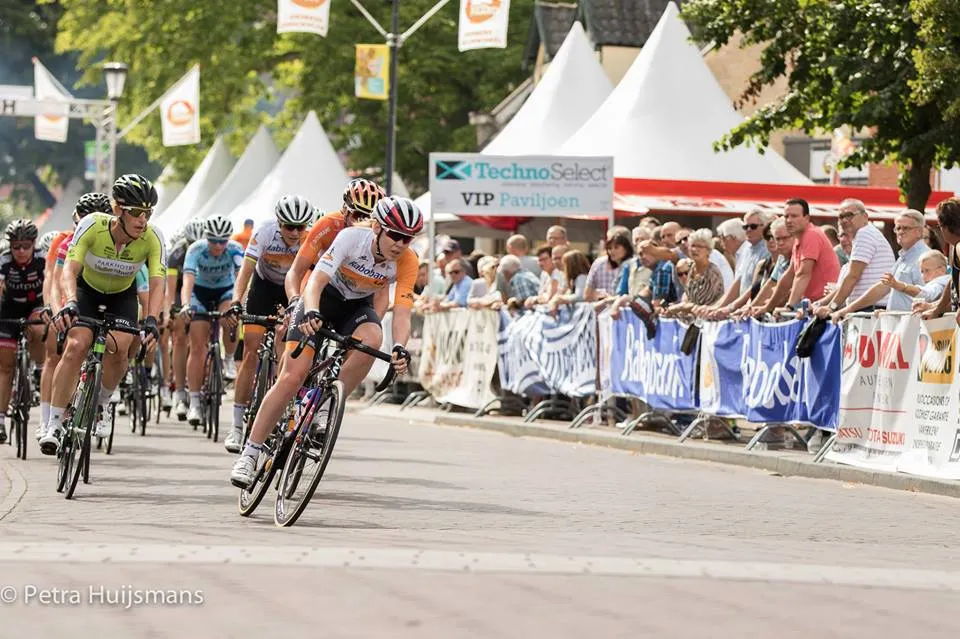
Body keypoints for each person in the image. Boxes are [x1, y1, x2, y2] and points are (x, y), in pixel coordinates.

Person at [230, 196, 421, 487]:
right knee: (292, 377)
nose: (400, 243)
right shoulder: (350, 238)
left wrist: (400, 347)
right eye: (394, 234)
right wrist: (312, 312)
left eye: (407, 238)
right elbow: (316, 281)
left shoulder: (408, 261)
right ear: (378, 229)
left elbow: (403, 311)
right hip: (320, 298)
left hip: (355, 307)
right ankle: (250, 451)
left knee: (373, 338)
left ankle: (323, 406)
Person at [40, 174, 165, 454]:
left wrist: (153, 320)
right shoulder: (92, 225)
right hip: (87, 291)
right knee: (76, 346)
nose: (142, 219)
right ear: (118, 209)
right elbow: (69, 271)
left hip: (122, 296)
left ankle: (102, 403)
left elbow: (158, 283)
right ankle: (55, 424)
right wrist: (70, 301)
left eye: (147, 212)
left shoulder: (153, 237)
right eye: (135, 212)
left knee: (121, 349)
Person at [224, 195, 315, 453]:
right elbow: (246, 270)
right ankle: (237, 426)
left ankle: (280, 405)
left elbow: (311, 277)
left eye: (300, 227)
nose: (295, 233)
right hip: (263, 288)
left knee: (286, 345)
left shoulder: (309, 238)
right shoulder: (264, 232)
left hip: (292, 290)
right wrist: (236, 301)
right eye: (289, 227)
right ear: (278, 222)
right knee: (251, 351)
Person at [38, 193, 112, 438]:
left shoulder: (113, 242)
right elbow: (55, 281)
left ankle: (99, 400)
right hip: (71, 298)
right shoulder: (65, 242)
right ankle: (51, 419)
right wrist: (57, 311)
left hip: (102, 298)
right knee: (64, 350)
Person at [179, 215, 244, 426]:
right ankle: (195, 402)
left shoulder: (235, 249)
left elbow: (242, 277)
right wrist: (186, 304)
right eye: (213, 241)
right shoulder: (196, 250)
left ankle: (229, 359)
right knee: (197, 346)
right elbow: (187, 280)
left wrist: (239, 303)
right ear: (206, 239)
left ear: (228, 239)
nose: (218, 245)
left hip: (225, 291)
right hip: (200, 293)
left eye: (222, 241)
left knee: (231, 316)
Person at [284, 178, 385, 301]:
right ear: (345, 209)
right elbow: (296, 272)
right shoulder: (329, 225)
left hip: (358, 293)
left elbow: (382, 295)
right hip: (324, 281)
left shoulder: (383, 241)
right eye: (358, 215)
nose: (363, 222)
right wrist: (294, 300)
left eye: (369, 218)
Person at [828, 209, 928, 318]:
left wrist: (835, 307)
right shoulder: (903, 258)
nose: (900, 232)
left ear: (919, 232)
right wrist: (848, 309)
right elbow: (882, 287)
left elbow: (930, 295)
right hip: (899, 326)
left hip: (915, 326)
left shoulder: (926, 257)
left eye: (906, 228)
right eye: (898, 228)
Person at [0, 220, 47, 444]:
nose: (20, 251)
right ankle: (0, 420)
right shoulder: (3, 260)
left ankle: (39, 369)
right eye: (16, 246)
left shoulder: (42, 260)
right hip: (7, 310)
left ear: (33, 244)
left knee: (38, 328)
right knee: (5, 366)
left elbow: (51, 286)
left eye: (25, 246)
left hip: (35, 307)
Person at [754, 198, 840, 316]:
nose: (789, 220)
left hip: (822, 307)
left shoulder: (811, 235)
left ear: (807, 218)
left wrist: (789, 306)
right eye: (786, 216)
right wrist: (767, 307)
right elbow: (788, 277)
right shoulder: (800, 239)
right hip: (813, 306)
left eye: (794, 216)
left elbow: (803, 274)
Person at [814, 199, 895, 317]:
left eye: (849, 215)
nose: (844, 220)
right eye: (841, 217)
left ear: (865, 216)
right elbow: (851, 280)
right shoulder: (867, 233)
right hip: (871, 308)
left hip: (870, 310)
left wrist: (831, 308)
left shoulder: (864, 234)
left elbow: (853, 277)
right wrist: (822, 303)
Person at [166, 219, 205, 420]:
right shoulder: (177, 253)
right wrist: (169, 312)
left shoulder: (211, 249)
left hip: (203, 290)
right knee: (180, 336)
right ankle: (180, 393)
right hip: (181, 291)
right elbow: (171, 288)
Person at [661, 229, 725, 315]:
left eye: (700, 247)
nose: (695, 249)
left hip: (709, 321)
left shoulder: (712, 272)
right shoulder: (691, 268)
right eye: (693, 246)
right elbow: (689, 297)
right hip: (692, 320)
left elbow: (701, 305)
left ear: (708, 250)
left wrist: (679, 308)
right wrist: (675, 309)